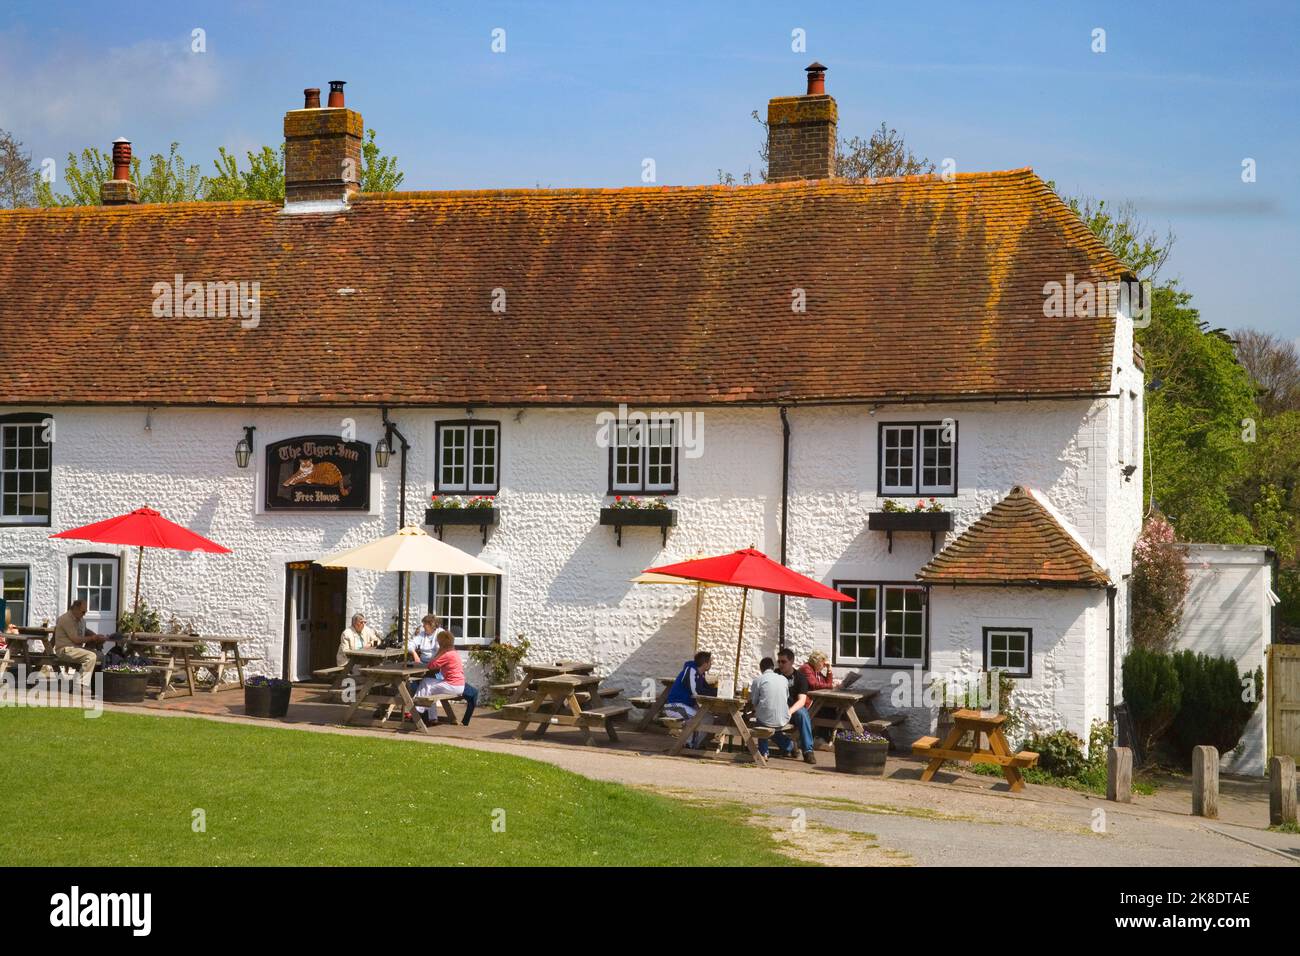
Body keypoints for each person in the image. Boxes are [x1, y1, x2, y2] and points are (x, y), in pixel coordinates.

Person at [412, 629, 466, 726]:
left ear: (441, 643)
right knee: (428, 685)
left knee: (427, 684)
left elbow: (431, 665)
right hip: (459, 685)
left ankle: (417, 711)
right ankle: (431, 717)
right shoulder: (454, 652)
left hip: (452, 686)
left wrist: (439, 652)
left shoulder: (447, 655)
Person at [664, 651, 717, 748]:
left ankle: (694, 744)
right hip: (674, 706)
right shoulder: (691, 670)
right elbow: (696, 691)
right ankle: (689, 745)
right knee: (698, 718)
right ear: (705, 664)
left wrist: (718, 691)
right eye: (710, 662)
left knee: (708, 718)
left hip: (686, 706)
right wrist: (713, 692)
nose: (711, 664)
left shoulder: (701, 674)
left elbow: (706, 688)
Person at [776, 647, 817, 764]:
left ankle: (808, 751)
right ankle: (789, 746)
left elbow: (802, 701)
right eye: (778, 661)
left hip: (793, 711)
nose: (780, 664)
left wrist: (789, 712)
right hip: (777, 710)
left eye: (783, 661)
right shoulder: (775, 674)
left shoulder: (800, 678)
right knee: (762, 720)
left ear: (792, 661)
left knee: (802, 714)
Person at [749, 657, 793, 759]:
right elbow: (786, 697)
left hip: (766, 719)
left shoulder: (758, 680)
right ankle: (788, 746)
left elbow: (754, 702)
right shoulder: (784, 679)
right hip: (784, 717)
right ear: (773, 667)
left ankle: (764, 752)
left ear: (761, 669)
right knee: (771, 726)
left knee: (762, 721)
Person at [53, 599, 100, 687]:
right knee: (91, 657)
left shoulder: (81, 619)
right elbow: (76, 639)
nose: (84, 614)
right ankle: (80, 685)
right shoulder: (66, 619)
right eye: (83, 612)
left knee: (101, 656)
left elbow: (85, 630)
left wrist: (97, 636)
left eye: (85, 612)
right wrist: (92, 638)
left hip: (76, 649)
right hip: (65, 650)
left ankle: (96, 685)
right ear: (76, 608)